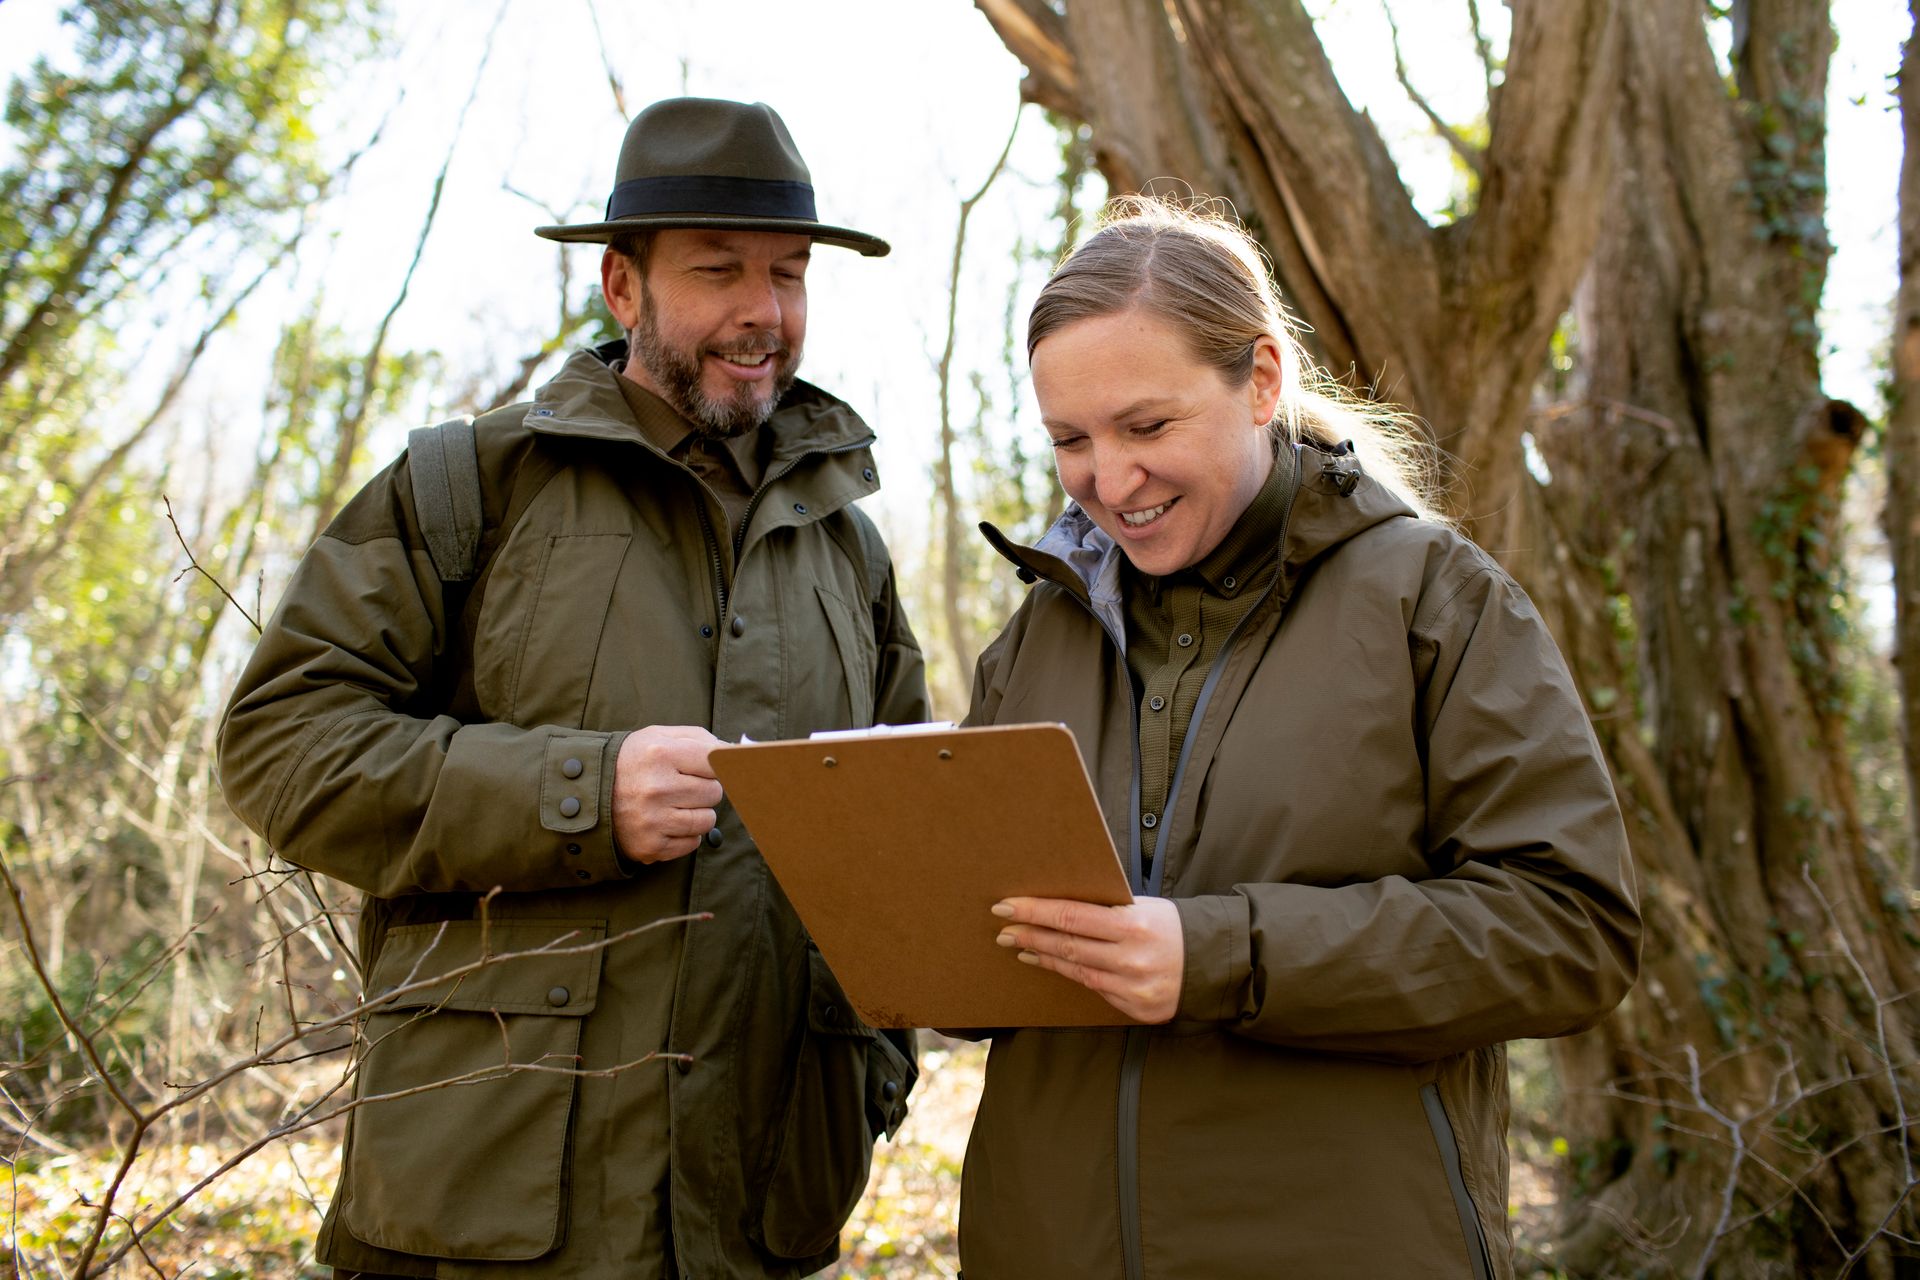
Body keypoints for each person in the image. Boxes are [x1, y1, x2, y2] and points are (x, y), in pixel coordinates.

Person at [217, 97, 927, 1280]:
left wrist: (871, 1074)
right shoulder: (467, 486)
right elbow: (281, 745)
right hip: (481, 1216)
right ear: (621, 285)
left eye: (789, 272)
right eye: (718, 270)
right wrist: (580, 792)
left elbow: (900, 835)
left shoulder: (846, 546)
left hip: (761, 1223)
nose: (764, 310)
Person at [959, 197, 1641, 1279]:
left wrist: (1223, 955)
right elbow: (979, 944)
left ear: (1262, 381)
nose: (1110, 481)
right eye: (1071, 441)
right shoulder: (1037, 636)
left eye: (1148, 427)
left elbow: (1568, 929)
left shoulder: (1431, 599)